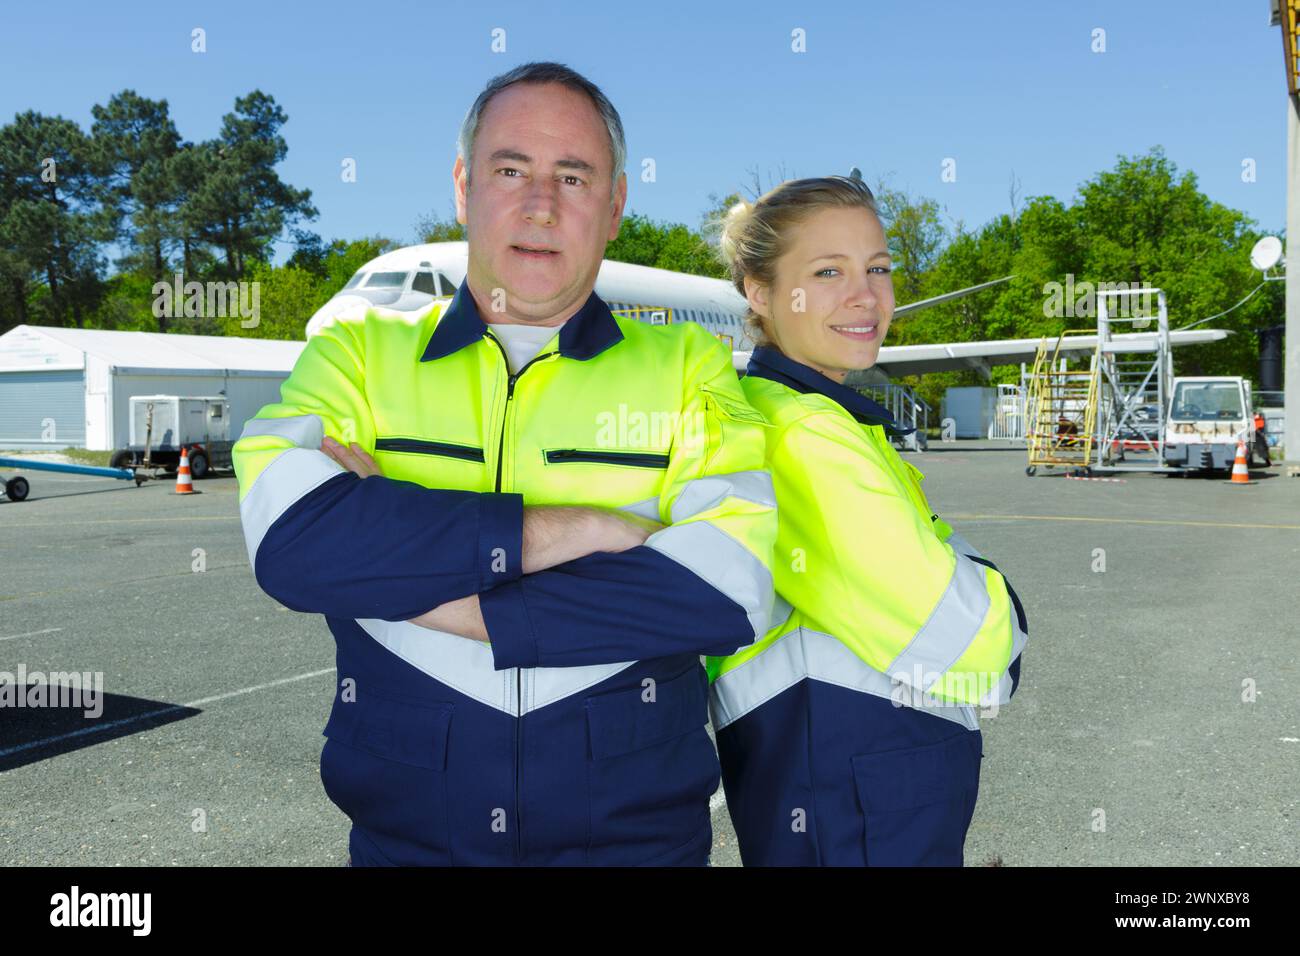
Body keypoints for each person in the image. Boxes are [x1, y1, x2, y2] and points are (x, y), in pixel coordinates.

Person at [231, 62, 777, 866]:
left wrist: (412, 570)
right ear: (463, 185)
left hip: (634, 844)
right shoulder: (358, 351)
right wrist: (577, 529)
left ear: (616, 204)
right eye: (510, 169)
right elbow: (292, 545)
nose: (540, 204)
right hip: (408, 843)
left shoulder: (690, 365)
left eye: (574, 176)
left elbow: (729, 589)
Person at [706, 175, 1028, 866]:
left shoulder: (810, 417)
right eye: (828, 272)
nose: (866, 296)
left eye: (878, 269)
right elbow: (977, 646)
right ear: (759, 293)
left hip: (846, 786)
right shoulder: (803, 436)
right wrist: (999, 597)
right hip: (853, 807)